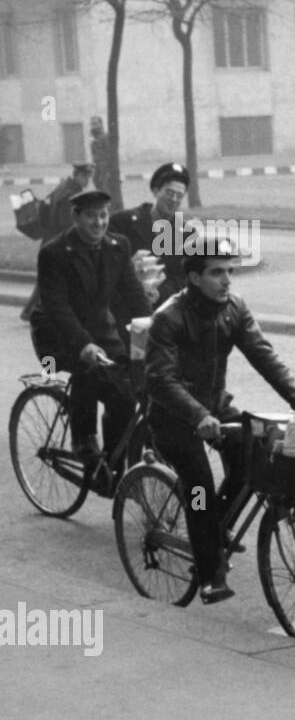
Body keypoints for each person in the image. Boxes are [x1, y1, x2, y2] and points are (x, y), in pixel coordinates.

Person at [147, 243, 295, 604]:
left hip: (214, 408)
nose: (227, 280)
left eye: (230, 271)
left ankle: (214, 531)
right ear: (194, 277)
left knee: (253, 459)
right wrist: (198, 416)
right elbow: (162, 380)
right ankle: (210, 575)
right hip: (175, 417)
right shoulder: (169, 317)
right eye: (216, 272)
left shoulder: (234, 308)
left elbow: (263, 355)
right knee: (199, 489)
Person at [29, 188, 150, 486]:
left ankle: (109, 466)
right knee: (90, 370)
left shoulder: (118, 245)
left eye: (104, 215)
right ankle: (82, 439)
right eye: (92, 216)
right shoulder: (55, 253)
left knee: (127, 390)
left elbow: (133, 294)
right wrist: (83, 343)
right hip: (57, 333)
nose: (99, 223)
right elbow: (56, 306)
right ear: (76, 217)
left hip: (100, 328)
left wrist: (155, 327)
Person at [19, 162, 95, 321]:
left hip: (50, 239)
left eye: (89, 177)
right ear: (78, 175)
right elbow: (67, 223)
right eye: (86, 177)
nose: (87, 181)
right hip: (60, 243)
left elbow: (45, 212)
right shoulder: (71, 195)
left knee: (49, 277)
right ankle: (33, 311)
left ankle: (30, 311)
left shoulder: (62, 187)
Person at [109, 162, 192, 308]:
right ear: (155, 191)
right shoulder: (122, 223)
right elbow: (105, 265)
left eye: (179, 196)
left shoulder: (186, 234)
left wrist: (160, 293)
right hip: (125, 308)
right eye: (169, 193)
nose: (173, 200)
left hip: (165, 312)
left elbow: (186, 279)